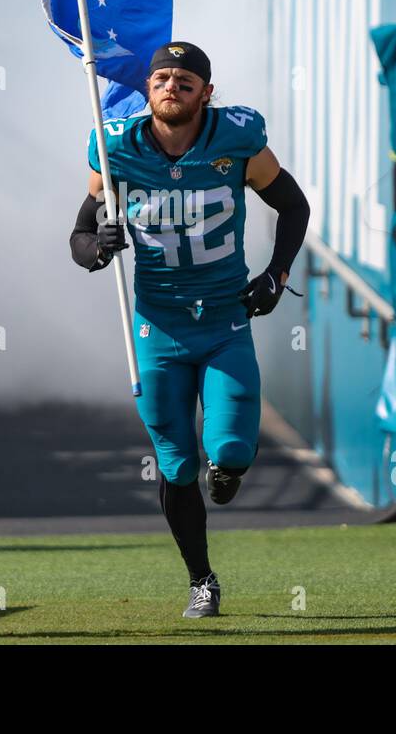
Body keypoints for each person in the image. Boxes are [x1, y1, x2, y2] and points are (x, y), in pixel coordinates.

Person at [70, 42, 311, 617]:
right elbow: (79, 237)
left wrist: (276, 275)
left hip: (225, 321)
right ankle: (202, 579)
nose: (170, 86)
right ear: (147, 89)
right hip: (158, 327)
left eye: (184, 79)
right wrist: (97, 248)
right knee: (176, 465)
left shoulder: (236, 139)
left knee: (228, 450)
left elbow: (294, 205)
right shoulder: (115, 147)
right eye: (160, 78)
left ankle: (227, 470)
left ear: (206, 91)